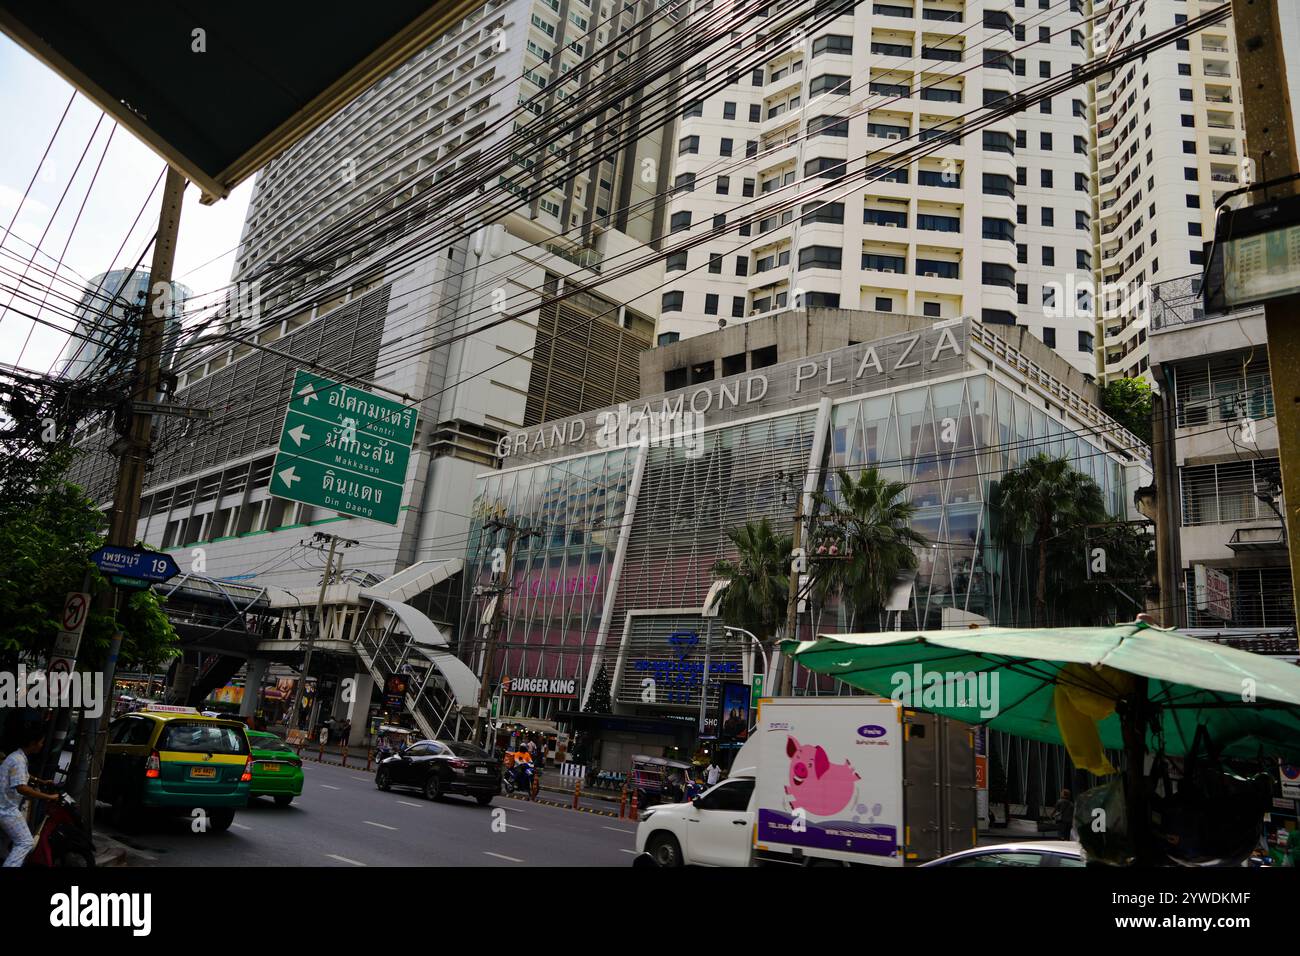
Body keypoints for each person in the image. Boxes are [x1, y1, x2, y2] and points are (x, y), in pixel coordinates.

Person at [1, 726, 59, 867]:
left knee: (5, 841)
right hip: (6, 809)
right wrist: (48, 797)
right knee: (25, 842)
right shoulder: (19, 760)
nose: (42, 745)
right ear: (32, 743)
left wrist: (41, 781)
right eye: (41, 742)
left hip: (4, 806)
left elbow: (23, 776)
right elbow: (22, 788)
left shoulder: (16, 756)